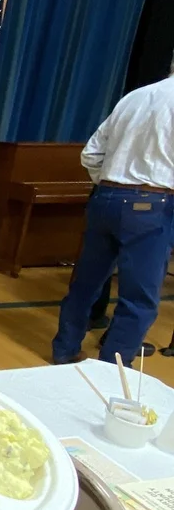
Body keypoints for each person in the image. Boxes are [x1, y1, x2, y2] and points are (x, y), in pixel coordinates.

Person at [52, 67, 174, 366]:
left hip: (105, 198)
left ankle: (65, 351)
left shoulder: (134, 97)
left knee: (86, 284)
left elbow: (91, 154)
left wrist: (112, 184)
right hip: (153, 203)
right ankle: (111, 369)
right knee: (139, 300)